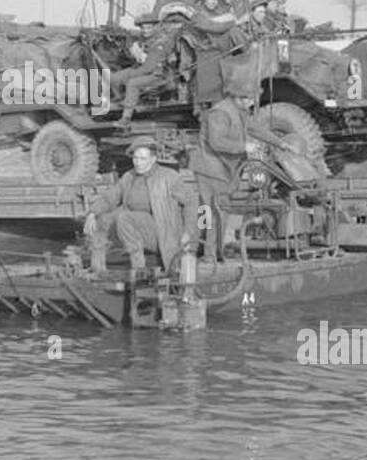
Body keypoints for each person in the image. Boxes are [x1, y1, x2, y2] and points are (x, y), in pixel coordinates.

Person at [188, 85, 281, 265]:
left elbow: (255, 129)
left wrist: (280, 143)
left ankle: (205, 250)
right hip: (210, 169)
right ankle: (208, 253)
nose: (253, 104)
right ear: (239, 97)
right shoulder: (220, 113)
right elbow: (217, 142)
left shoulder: (240, 111)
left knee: (212, 210)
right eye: (250, 100)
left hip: (221, 168)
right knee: (212, 211)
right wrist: (244, 147)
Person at [83, 136, 198, 273]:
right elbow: (110, 197)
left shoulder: (170, 177)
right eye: (135, 158)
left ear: (153, 159)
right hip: (133, 226)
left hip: (162, 231)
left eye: (143, 159)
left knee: (124, 218)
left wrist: (188, 233)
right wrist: (92, 212)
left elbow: (192, 203)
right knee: (102, 219)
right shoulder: (129, 176)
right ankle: (98, 270)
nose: (138, 163)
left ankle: (139, 269)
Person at [108, 15, 182, 126]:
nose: (145, 31)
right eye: (143, 28)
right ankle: (119, 101)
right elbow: (138, 57)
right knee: (114, 77)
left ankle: (126, 118)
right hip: (143, 68)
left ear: (155, 27)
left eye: (149, 28)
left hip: (158, 75)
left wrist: (130, 74)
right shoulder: (144, 39)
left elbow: (148, 68)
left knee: (133, 83)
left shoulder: (159, 43)